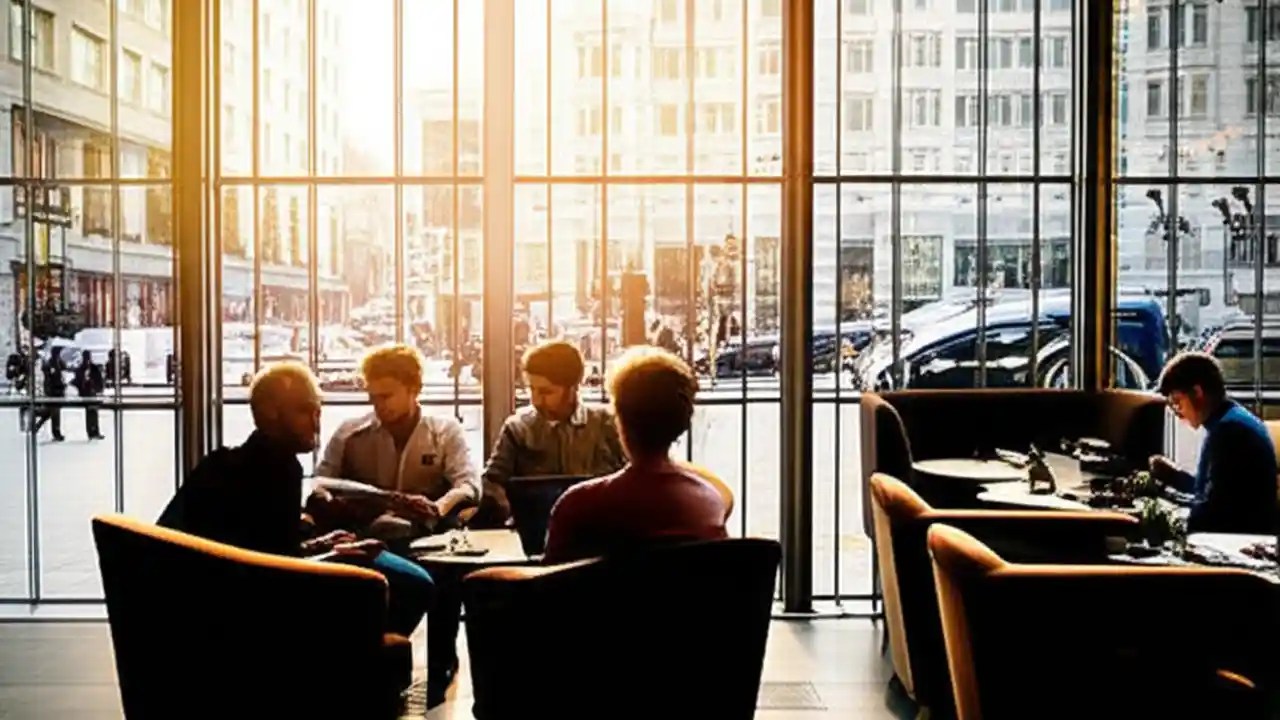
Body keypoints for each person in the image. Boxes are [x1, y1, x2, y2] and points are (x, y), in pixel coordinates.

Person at [157, 362, 435, 642]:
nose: (315, 423)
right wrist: (338, 553)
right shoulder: (279, 470)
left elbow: (260, 546)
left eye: (318, 411)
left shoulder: (224, 462)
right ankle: (351, 666)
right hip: (242, 608)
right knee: (415, 583)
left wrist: (317, 544)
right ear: (270, 413)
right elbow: (274, 570)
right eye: (304, 411)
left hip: (201, 598)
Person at [315, 344, 478, 706]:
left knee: (445, 570)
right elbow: (321, 484)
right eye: (373, 397)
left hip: (428, 531)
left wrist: (437, 507)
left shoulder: (443, 430)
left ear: (413, 389)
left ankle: (439, 662)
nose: (379, 405)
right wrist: (347, 503)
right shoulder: (350, 433)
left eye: (387, 395)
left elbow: (467, 483)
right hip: (368, 534)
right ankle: (375, 653)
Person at [543, 346, 728, 564]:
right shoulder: (710, 502)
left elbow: (547, 587)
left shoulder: (578, 505)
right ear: (681, 422)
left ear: (620, 421)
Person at [475, 340, 627, 526]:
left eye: (546, 392)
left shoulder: (607, 424)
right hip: (537, 526)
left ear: (573, 387)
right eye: (532, 389)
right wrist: (510, 511)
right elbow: (493, 480)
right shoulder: (518, 428)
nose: (536, 400)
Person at [1149, 352, 1278, 534]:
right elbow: (1214, 491)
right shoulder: (1231, 420)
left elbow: (1211, 513)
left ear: (1197, 392)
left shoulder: (1228, 431)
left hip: (1238, 541)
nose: (1177, 412)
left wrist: (1168, 518)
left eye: (1177, 402)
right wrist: (1174, 476)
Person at [33, 351, 65, 442]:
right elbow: (51, 379)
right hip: (53, 392)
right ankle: (56, 432)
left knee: (50, 412)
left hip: (56, 392)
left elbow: (63, 369)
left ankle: (37, 426)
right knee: (54, 412)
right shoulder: (51, 364)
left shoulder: (57, 363)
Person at [73, 349, 105, 440]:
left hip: (92, 392)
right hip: (87, 393)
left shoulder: (92, 368)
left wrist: (97, 388)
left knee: (93, 412)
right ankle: (91, 431)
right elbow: (78, 381)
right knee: (90, 412)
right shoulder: (82, 369)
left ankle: (95, 431)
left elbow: (98, 379)